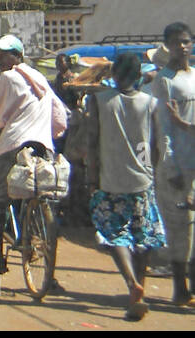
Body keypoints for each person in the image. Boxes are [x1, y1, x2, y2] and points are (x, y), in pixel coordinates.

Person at [0, 34, 70, 275]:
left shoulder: (8, 78)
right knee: (40, 196)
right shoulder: (41, 79)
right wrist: (50, 134)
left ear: (18, 55)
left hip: (14, 145)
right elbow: (59, 118)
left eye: (5, 55)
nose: (0, 59)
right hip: (43, 146)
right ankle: (43, 260)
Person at [82, 52, 166, 320]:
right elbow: (157, 147)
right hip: (142, 181)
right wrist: (150, 169)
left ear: (114, 74)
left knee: (114, 233)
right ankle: (137, 290)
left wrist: (91, 178)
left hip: (110, 181)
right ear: (139, 75)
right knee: (143, 238)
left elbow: (92, 143)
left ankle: (132, 283)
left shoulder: (99, 101)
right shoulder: (150, 103)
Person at [152, 21, 195, 305]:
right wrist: (172, 169)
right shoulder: (163, 81)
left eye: (186, 41)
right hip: (178, 169)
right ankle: (180, 290)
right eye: (177, 41)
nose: (183, 46)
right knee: (181, 230)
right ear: (167, 46)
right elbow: (163, 130)